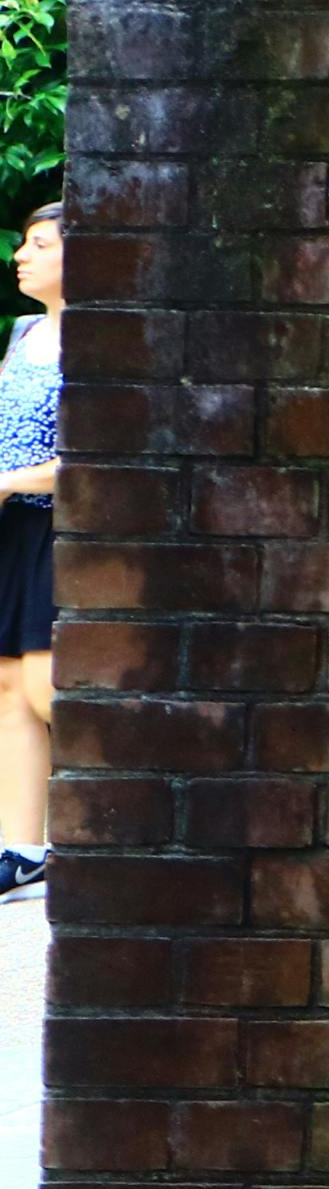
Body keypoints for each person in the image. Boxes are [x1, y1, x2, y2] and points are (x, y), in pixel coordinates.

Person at [0, 200, 54, 900]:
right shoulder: (21, 332)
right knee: (9, 687)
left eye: (40, 244)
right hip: (12, 526)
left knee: (46, 687)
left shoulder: (102, 340)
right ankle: (21, 848)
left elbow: (101, 455)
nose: (22, 255)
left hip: (58, 523)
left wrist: (11, 480)